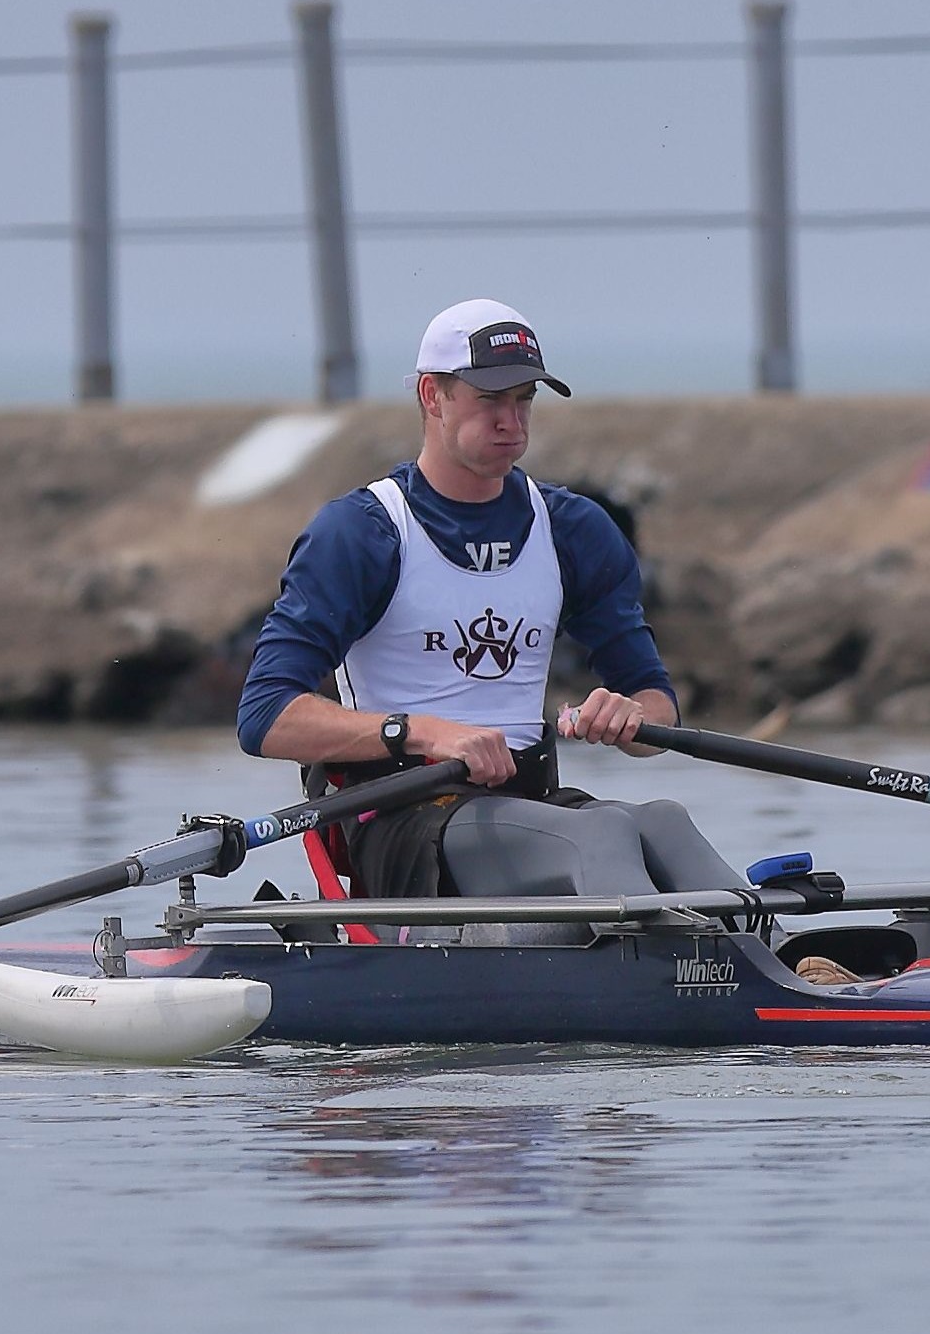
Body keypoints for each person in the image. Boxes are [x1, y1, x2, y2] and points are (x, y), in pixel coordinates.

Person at [235, 298, 744, 936]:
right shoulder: (361, 534)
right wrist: (420, 733)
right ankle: (693, 977)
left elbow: (658, 708)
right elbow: (264, 718)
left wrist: (633, 717)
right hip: (403, 821)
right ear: (433, 396)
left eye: (524, 399)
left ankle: (793, 966)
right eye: (489, 399)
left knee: (664, 817)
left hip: (531, 807)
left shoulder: (574, 530)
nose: (512, 422)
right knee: (604, 830)